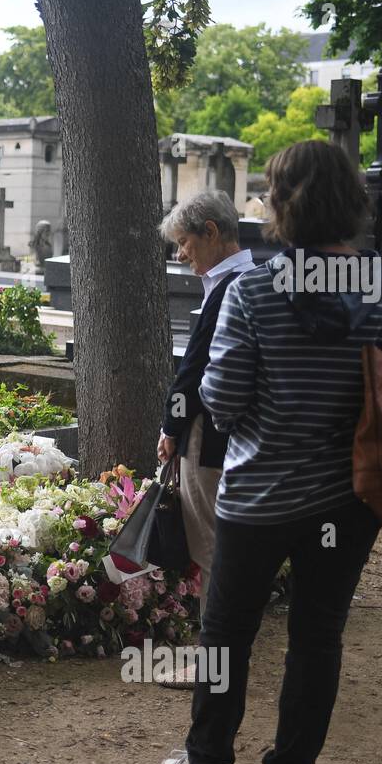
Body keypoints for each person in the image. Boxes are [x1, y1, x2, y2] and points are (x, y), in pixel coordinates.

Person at [156, 140, 382, 764]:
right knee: (317, 636)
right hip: (355, 497)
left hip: (258, 496)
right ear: (354, 201)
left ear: (281, 205)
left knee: (227, 632)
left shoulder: (250, 290)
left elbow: (221, 399)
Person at [156, 190, 255, 682]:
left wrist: (171, 427)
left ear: (211, 233)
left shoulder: (230, 285)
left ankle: (215, 662)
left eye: (185, 242)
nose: (181, 254)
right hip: (243, 438)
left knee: (211, 546)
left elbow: (197, 370)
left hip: (209, 437)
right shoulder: (257, 279)